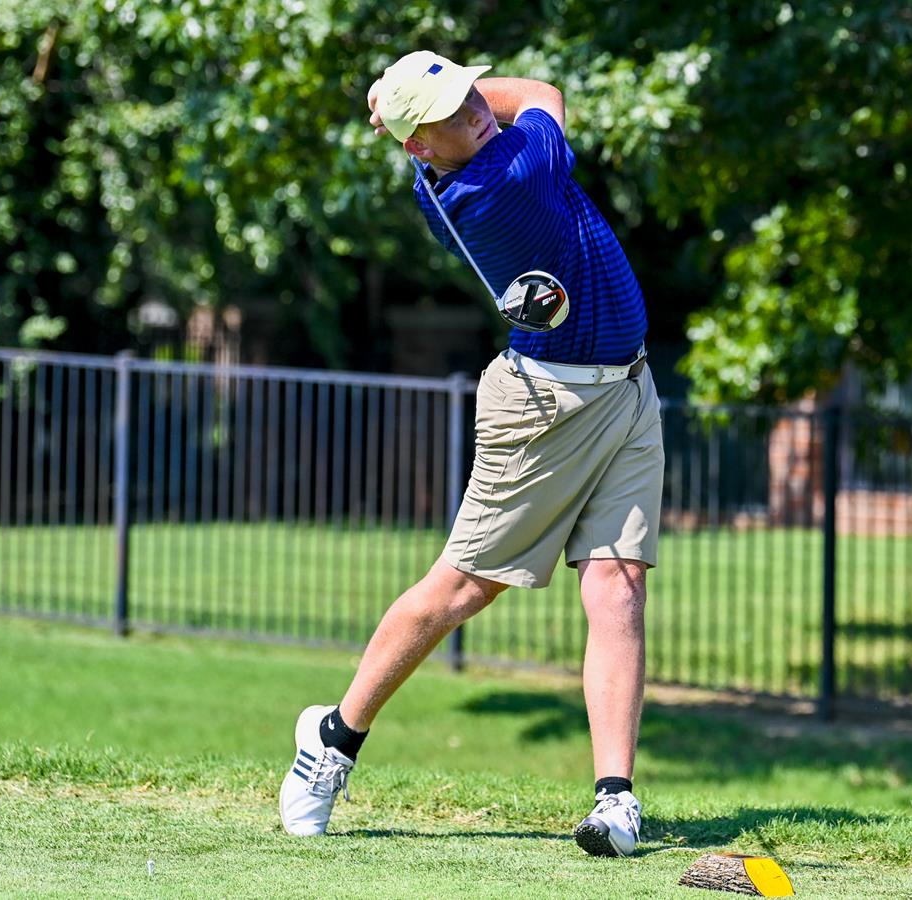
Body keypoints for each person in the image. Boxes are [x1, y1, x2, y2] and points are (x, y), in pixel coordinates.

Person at [278, 50, 661, 858]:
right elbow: (544, 92)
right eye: (451, 112)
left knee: (618, 582)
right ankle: (334, 740)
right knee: (462, 588)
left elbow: (495, 107)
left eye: (468, 96)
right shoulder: (506, 178)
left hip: (627, 388)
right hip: (545, 407)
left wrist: (417, 99)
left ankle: (616, 800)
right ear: (420, 145)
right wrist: (442, 98)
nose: (475, 113)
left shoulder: (455, 154)